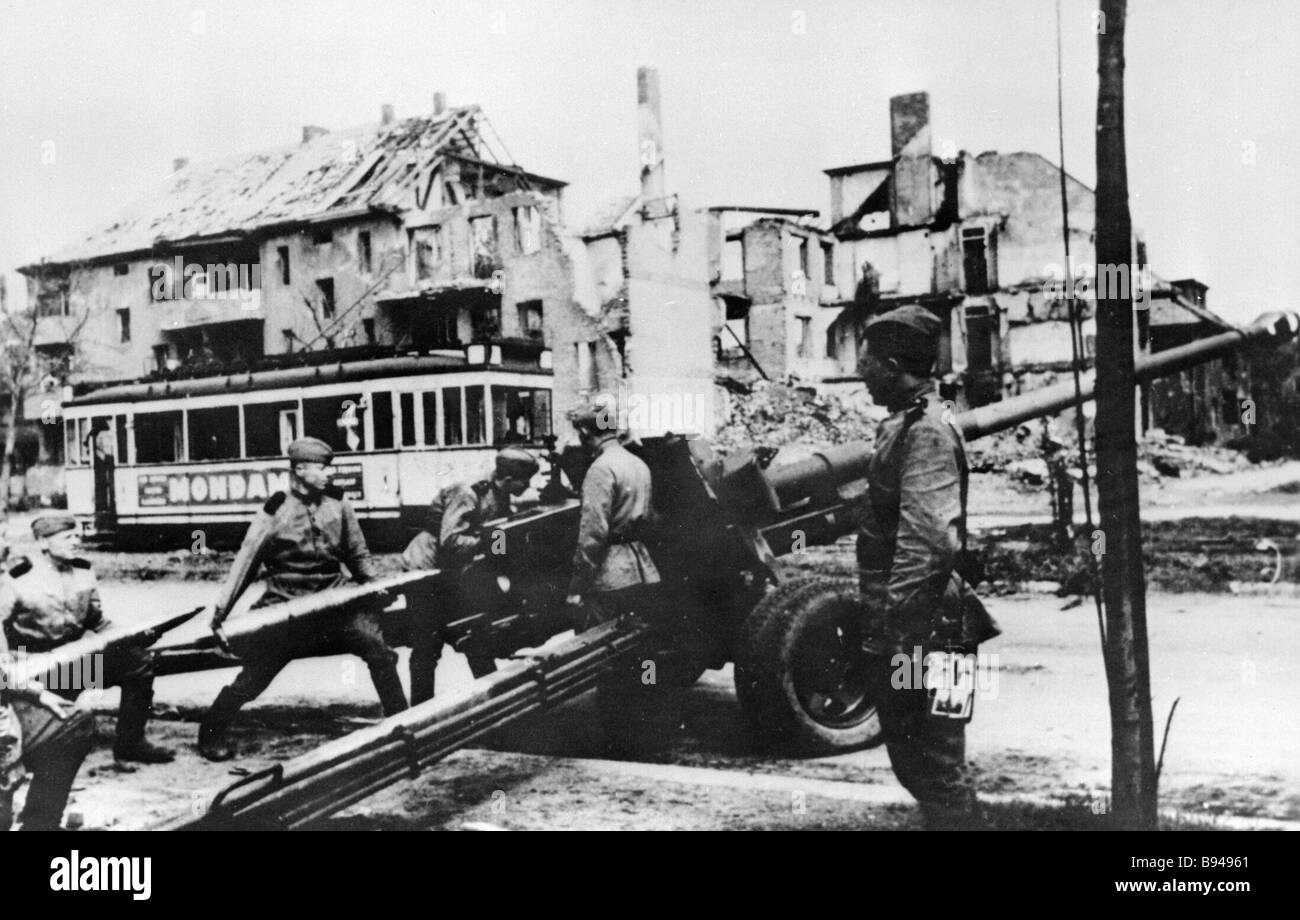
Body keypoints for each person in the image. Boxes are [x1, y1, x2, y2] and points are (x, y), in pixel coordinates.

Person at [855, 303, 997, 830]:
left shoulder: (928, 429)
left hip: (930, 629)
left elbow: (930, 541)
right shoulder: (912, 423)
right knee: (921, 764)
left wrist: (895, 630)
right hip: (928, 624)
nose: (860, 372)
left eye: (867, 362)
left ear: (893, 366)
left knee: (932, 764)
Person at [198, 436, 408, 761]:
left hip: (337, 603)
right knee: (257, 675)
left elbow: (358, 555)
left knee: (379, 650)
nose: (329, 475)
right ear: (299, 470)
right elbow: (244, 566)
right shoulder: (275, 511)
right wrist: (220, 616)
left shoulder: (339, 505)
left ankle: (403, 728)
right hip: (287, 607)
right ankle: (211, 731)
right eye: (322, 468)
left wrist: (373, 585)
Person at [0, 513, 173, 766]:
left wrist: (131, 636)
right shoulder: (17, 578)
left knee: (138, 662)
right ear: (43, 542)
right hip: (36, 670)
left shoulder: (83, 571)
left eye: (77, 535)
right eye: (67, 537)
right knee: (48, 742)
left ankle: (130, 743)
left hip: (76, 665)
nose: (75, 542)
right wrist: (6, 661)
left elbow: (96, 620)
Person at [400, 447, 539, 704]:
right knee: (427, 646)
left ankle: (496, 700)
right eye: (525, 481)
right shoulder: (468, 493)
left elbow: (497, 538)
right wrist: (491, 542)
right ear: (508, 479)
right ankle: (418, 713)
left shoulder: (500, 494)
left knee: (477, 636)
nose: (528, 486)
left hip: (458, 572)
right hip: (427, 573)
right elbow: (451, 542)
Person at [563, 404, 660, 629]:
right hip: (641, 569)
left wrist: (576, 589)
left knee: (599, 652)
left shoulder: (601, 469)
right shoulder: (639, 464)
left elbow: (592, 535)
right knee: (634, 645)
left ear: (585, 433)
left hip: (610, 577)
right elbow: (650, 517)